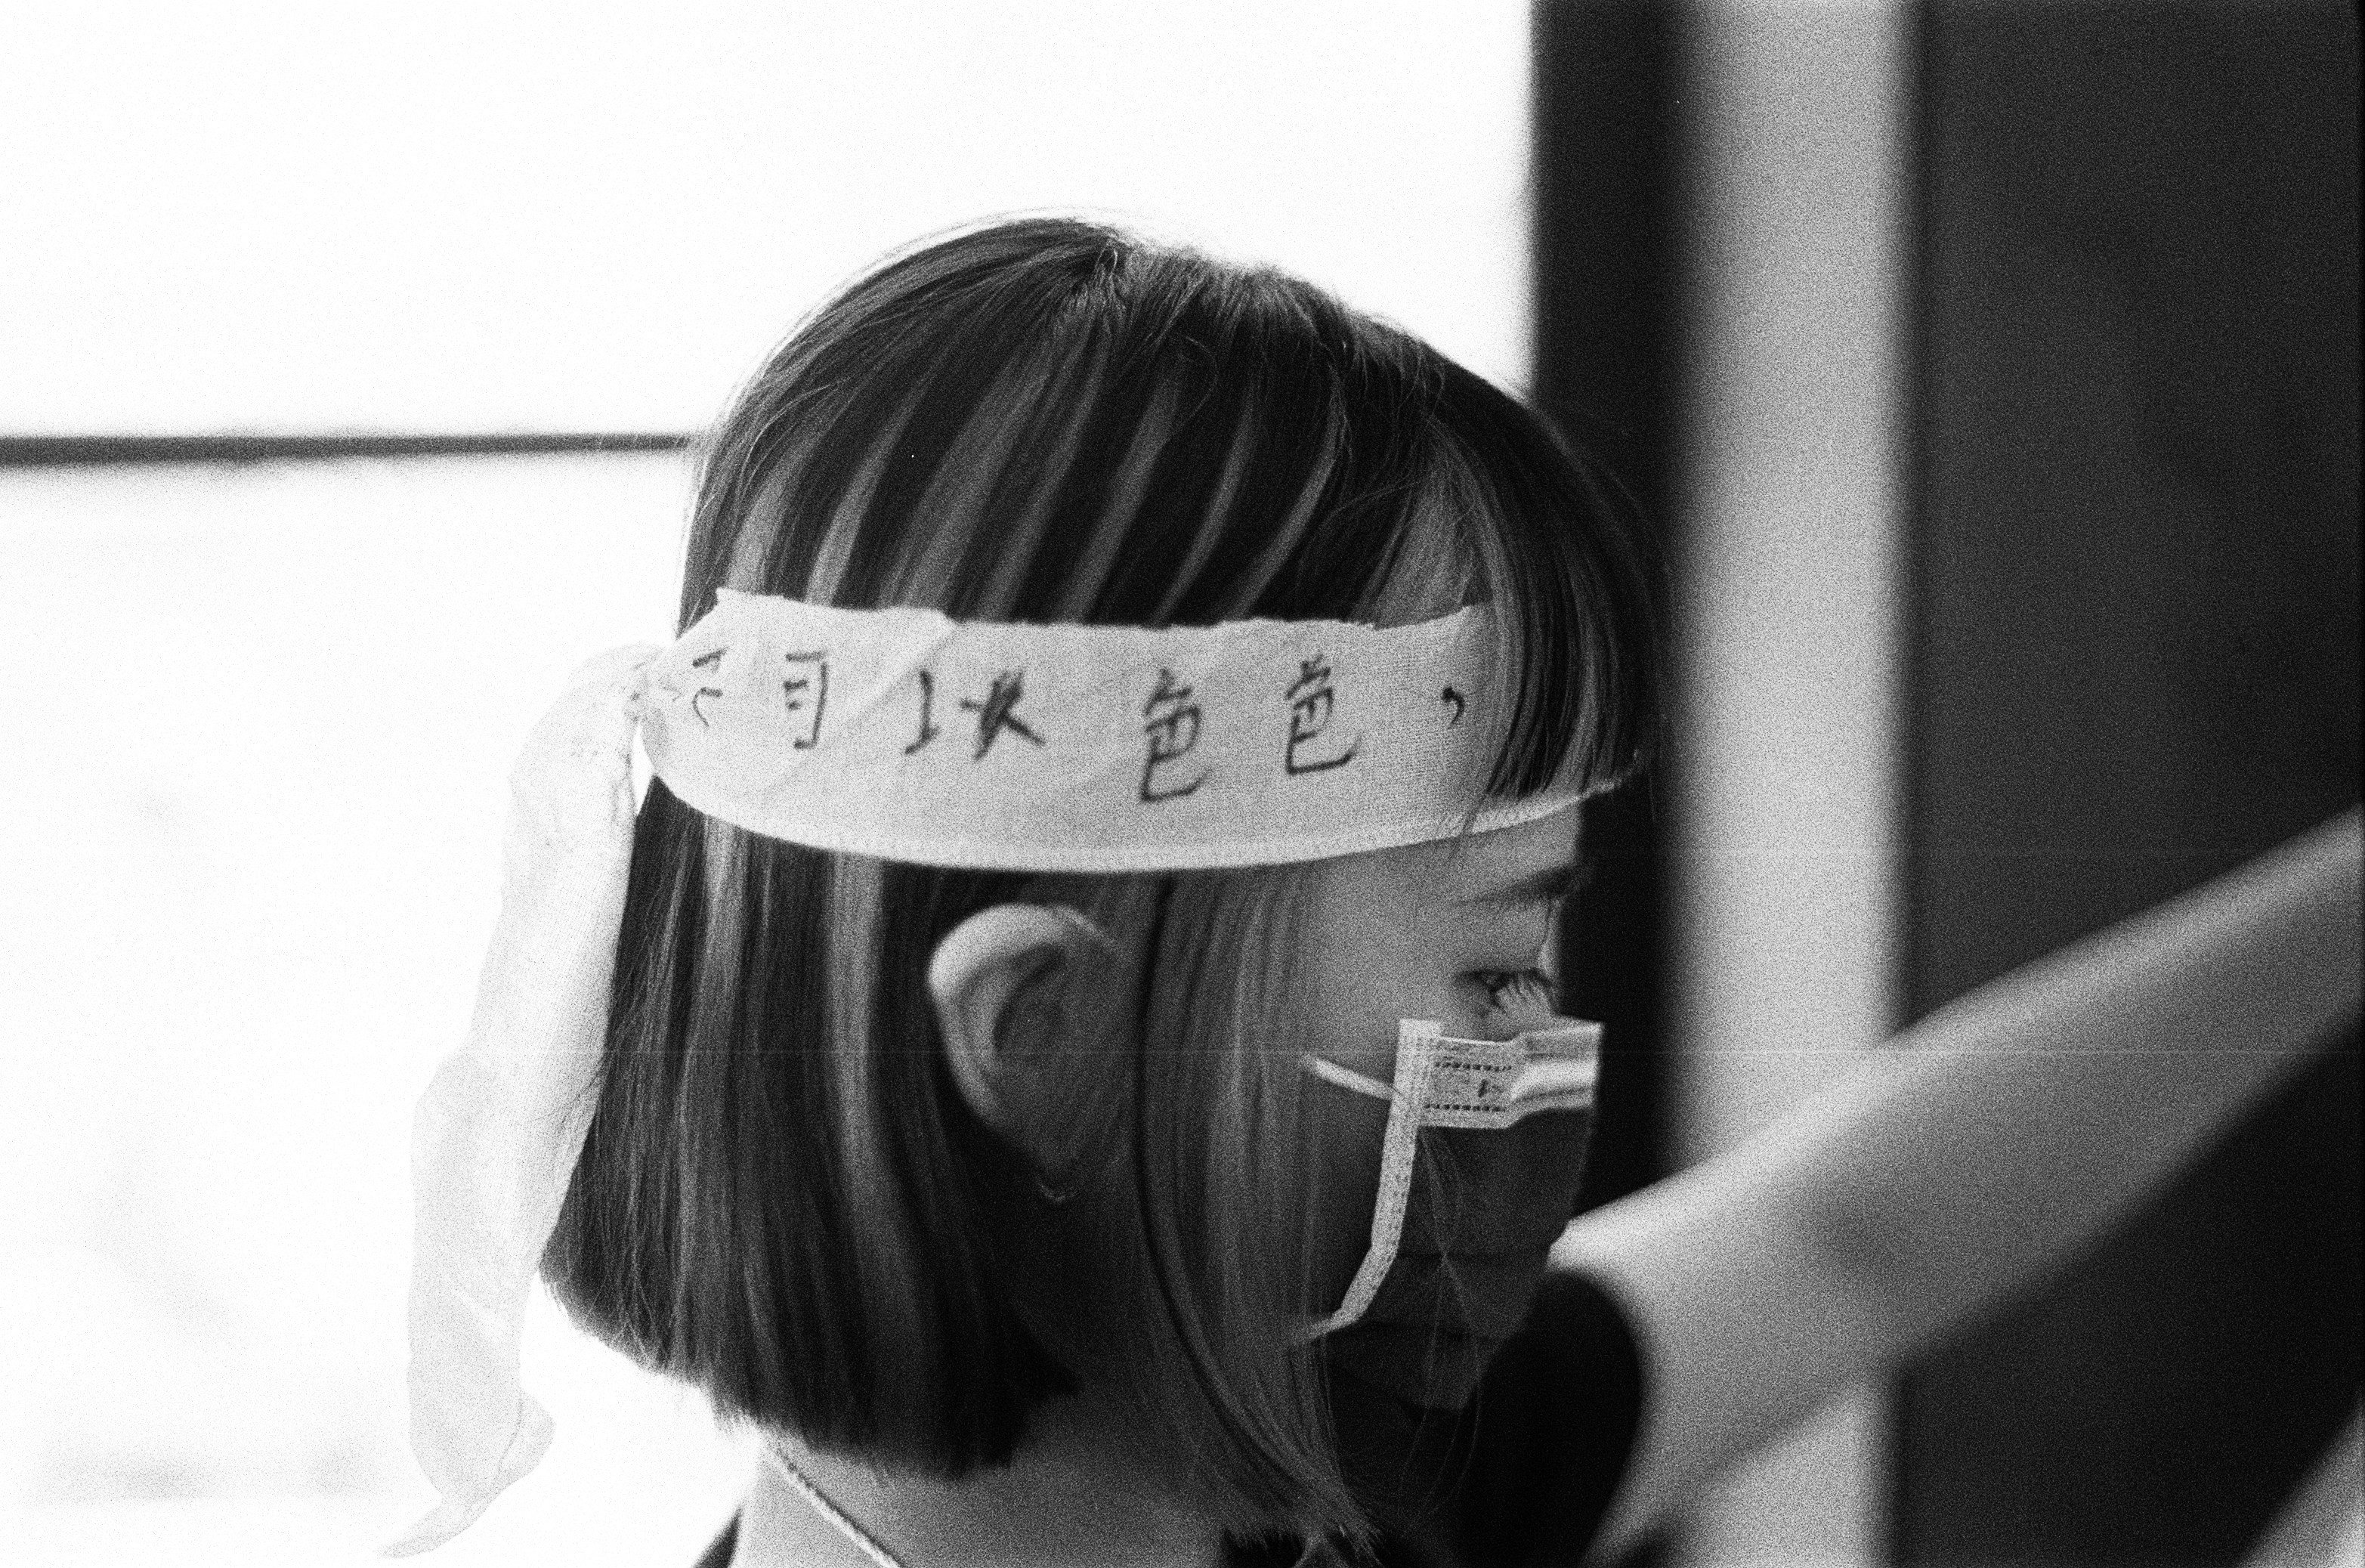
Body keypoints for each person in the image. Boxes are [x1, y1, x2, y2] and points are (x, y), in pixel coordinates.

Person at [391, 218, 2363, 1568]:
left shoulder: (1310, 1469)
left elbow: (1848, 1233)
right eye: (1497, 950)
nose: (1540, 1052)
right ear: (1053, 1039)